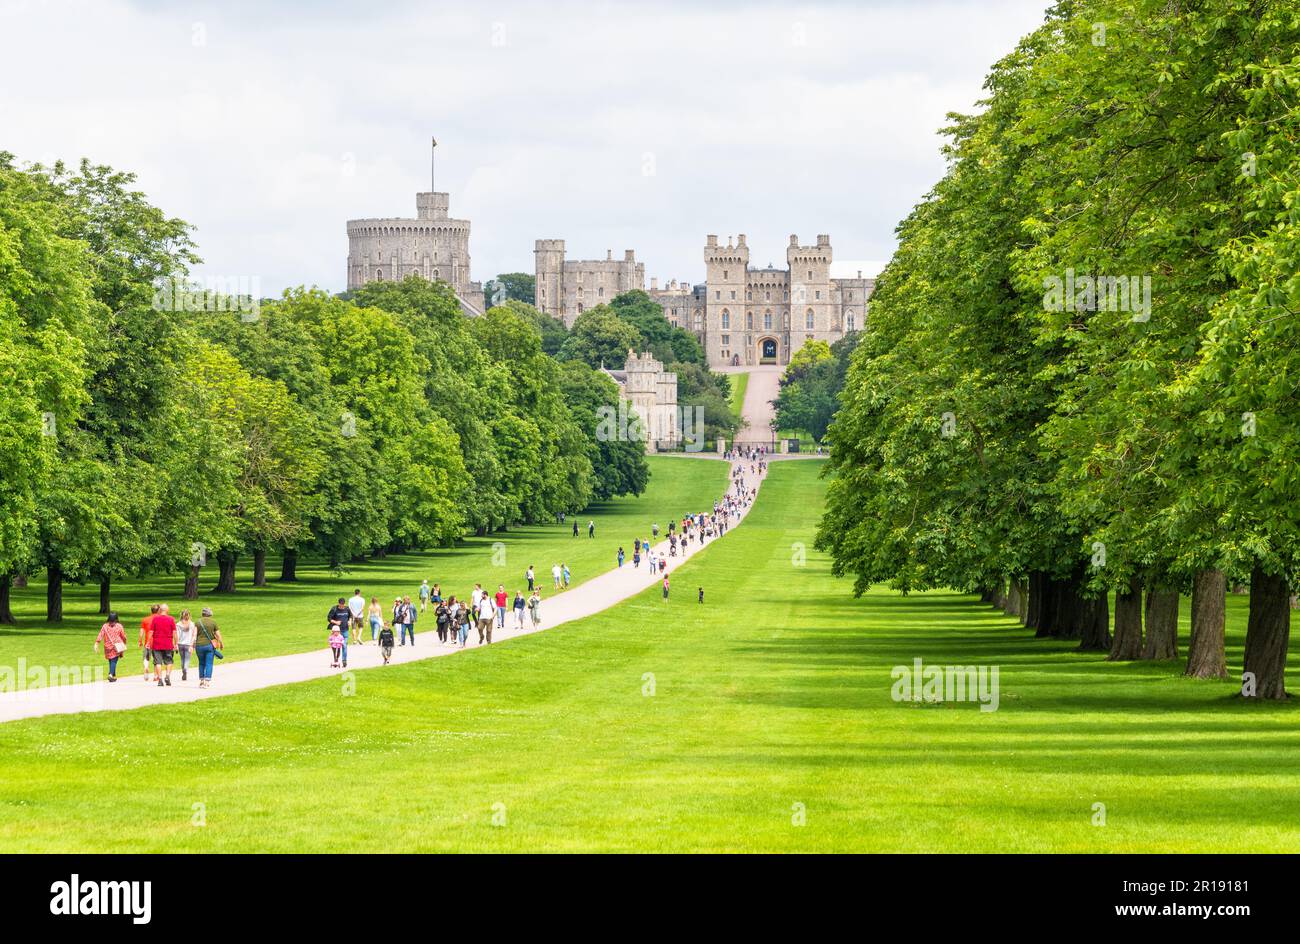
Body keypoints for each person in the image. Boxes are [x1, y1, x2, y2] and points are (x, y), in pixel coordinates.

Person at [94, 612, 128, 683]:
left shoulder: (105, 626)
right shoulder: (119, 626)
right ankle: (111, 674)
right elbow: (123, 636)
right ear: (116, 619)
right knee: (114, 660)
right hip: (116, 646)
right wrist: (124, 642)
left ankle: (113, 675)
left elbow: (101, 634)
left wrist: (97, 643)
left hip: (107, 646)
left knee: (111, 660)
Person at [149, 604, 177, 687]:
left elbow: (151, 631)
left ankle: (160, 679)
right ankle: (167, 676)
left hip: (157, 643)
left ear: (160, 610)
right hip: (168, 643)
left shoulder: (155, 619)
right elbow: (174, 632)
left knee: (158, 662)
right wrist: (176, 643)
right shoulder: (171, 619)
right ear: (167, 610)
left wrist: (148, 642)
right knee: (169, 661)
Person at [194, 607, 223, 689]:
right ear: (210, 614)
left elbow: (194, 634)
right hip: (209, 646)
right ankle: (207, 682)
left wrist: (193, 644)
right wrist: (221, 643)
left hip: (199, 646)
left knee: (201, 663)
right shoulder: (213, 622)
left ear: (202, 614)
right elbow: (218, 634)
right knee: (209, 663)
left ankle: (201, 681)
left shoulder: (198, 622)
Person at [328, 597, 352, 668]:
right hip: (337, 632)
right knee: (336, 646)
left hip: (345, 630)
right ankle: (336, 659)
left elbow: (350, 616)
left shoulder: (347, 609)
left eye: (343, 605)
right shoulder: (334, 609)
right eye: (341, 605)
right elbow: (329, 618)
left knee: (344, 645)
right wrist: (336, 622)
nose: (342, 606)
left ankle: (344, 660)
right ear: (338, 604)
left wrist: (350, 621)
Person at [176, 609, 197, 682]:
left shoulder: (178, 624)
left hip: (180, 644)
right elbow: (194, 635)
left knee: (182, 659)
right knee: (187, 659)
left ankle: (183, 671)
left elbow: (177, 635)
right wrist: (193, 645)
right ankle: (185, 669)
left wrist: (176, 644)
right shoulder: (192, 624)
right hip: (189, 644)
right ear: (189, 615)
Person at [139, 604, 158, 681]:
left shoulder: (145, 619)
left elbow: (141, 631)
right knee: (157, 659)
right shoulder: (160, 619)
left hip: (148, 642)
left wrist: (140, 640)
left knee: (146, 657)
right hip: (157, 642)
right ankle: (155, 676)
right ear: (158, 610)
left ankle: (146, 667)